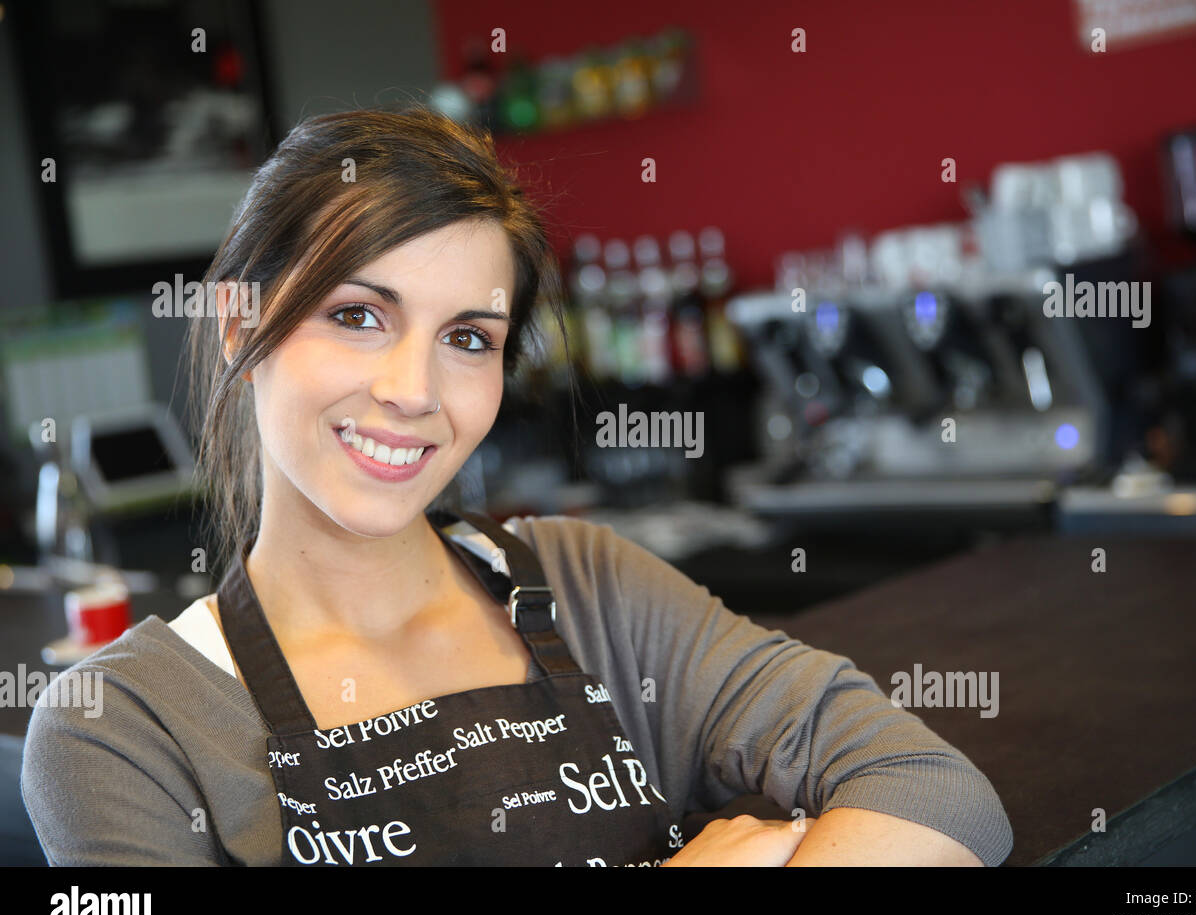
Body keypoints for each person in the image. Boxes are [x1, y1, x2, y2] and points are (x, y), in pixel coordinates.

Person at [21, 105, 1013, 866]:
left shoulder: (589, 585)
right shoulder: (121, 725)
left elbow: (937, 791)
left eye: (468, 339)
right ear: (242, 327)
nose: (412, 390)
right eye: (359, 315)